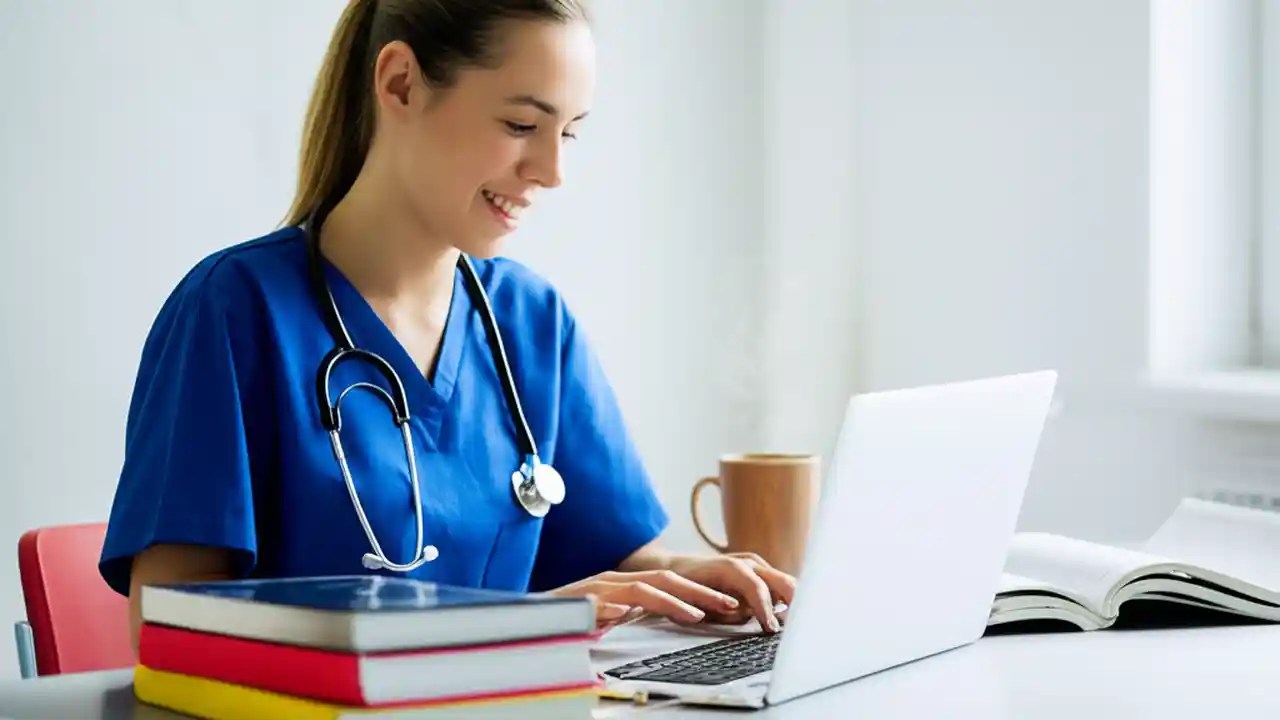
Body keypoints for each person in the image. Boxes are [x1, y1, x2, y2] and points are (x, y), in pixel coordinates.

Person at [99, 0, 795, 652]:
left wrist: (703, 579)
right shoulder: (234, 312)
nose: (553, 171)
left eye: (570, 132)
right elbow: (168, 630)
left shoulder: (531, 322)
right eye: (522, 125)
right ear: (400, 84)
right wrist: (517, 628)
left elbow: (617, 561)